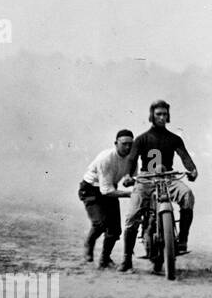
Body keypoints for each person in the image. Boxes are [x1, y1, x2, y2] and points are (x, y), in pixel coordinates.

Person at [122, 100, 199, 273]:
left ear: (168, 116)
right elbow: (132, 159)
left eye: (165, 114)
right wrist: (128, 175)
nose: (162, 117)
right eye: (158, 114)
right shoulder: (142, 139)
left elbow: (184, 156)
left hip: (168, 177)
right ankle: (127, 258)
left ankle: (183, 239)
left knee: (187, 195)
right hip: (146, 179)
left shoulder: (174, 138)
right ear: (152, 115)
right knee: (132, 214)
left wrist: (192, 169)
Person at [78, 130, 136, 268]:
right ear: (116, 144)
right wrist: (129, 194)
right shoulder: (106, 158)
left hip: (110, 188)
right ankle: (89, 244)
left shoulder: (132, 158)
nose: (128, 147)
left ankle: (105, 259)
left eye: (130, 144)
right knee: (100, 223)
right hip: (92, 189)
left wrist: (130, 180)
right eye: (124, 144)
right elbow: (106, 191)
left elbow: (133, 177)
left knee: (115, 230)